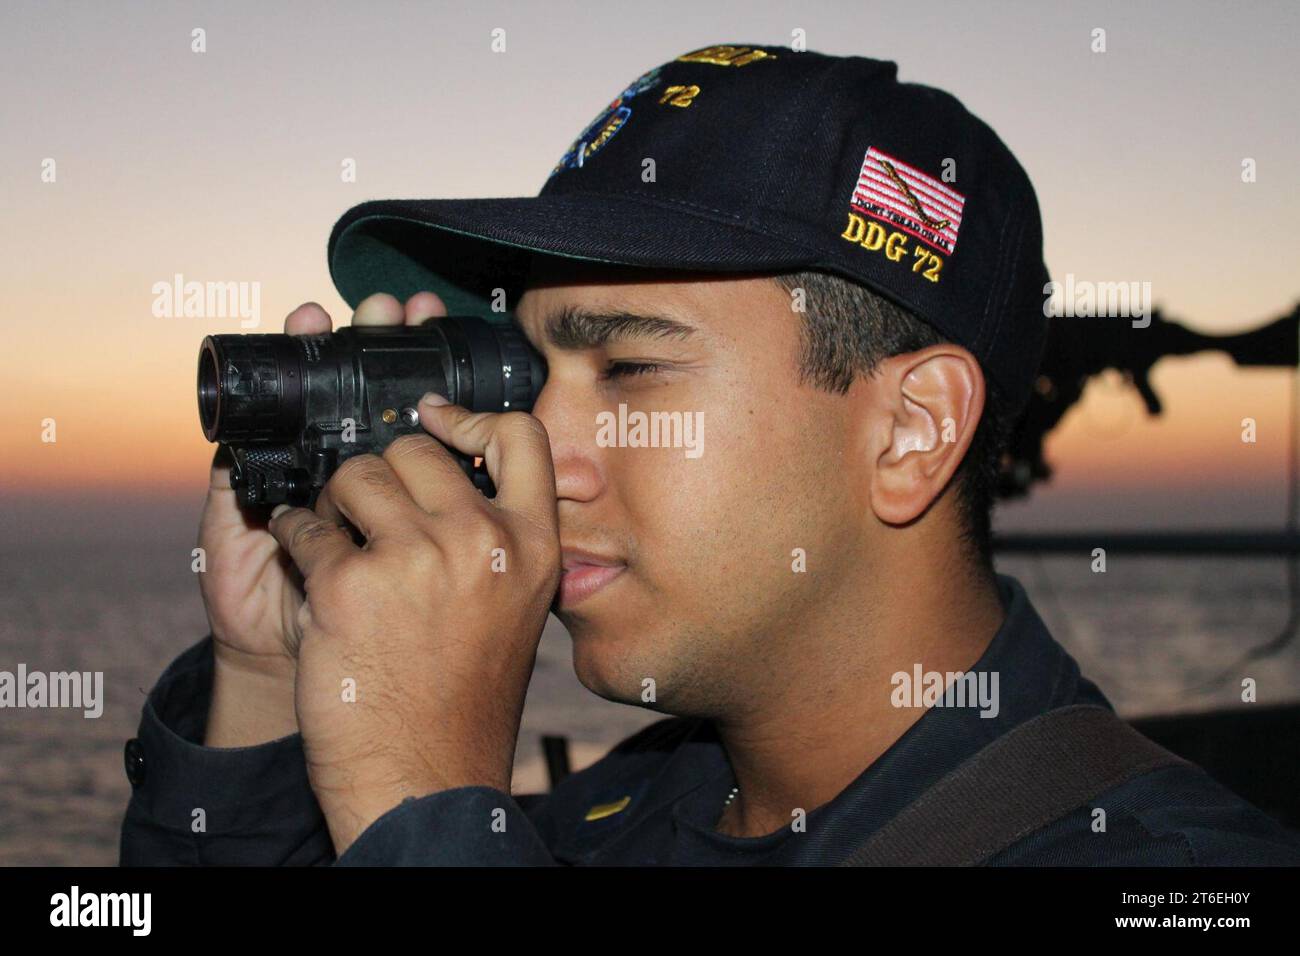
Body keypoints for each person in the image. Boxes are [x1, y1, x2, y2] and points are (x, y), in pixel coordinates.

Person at [120, 44, 1300, 865]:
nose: (537, 452)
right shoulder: (612, 815)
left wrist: (425, 798)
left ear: (910, 430)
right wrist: (270, 683)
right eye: (526, 377)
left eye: (630, 370)